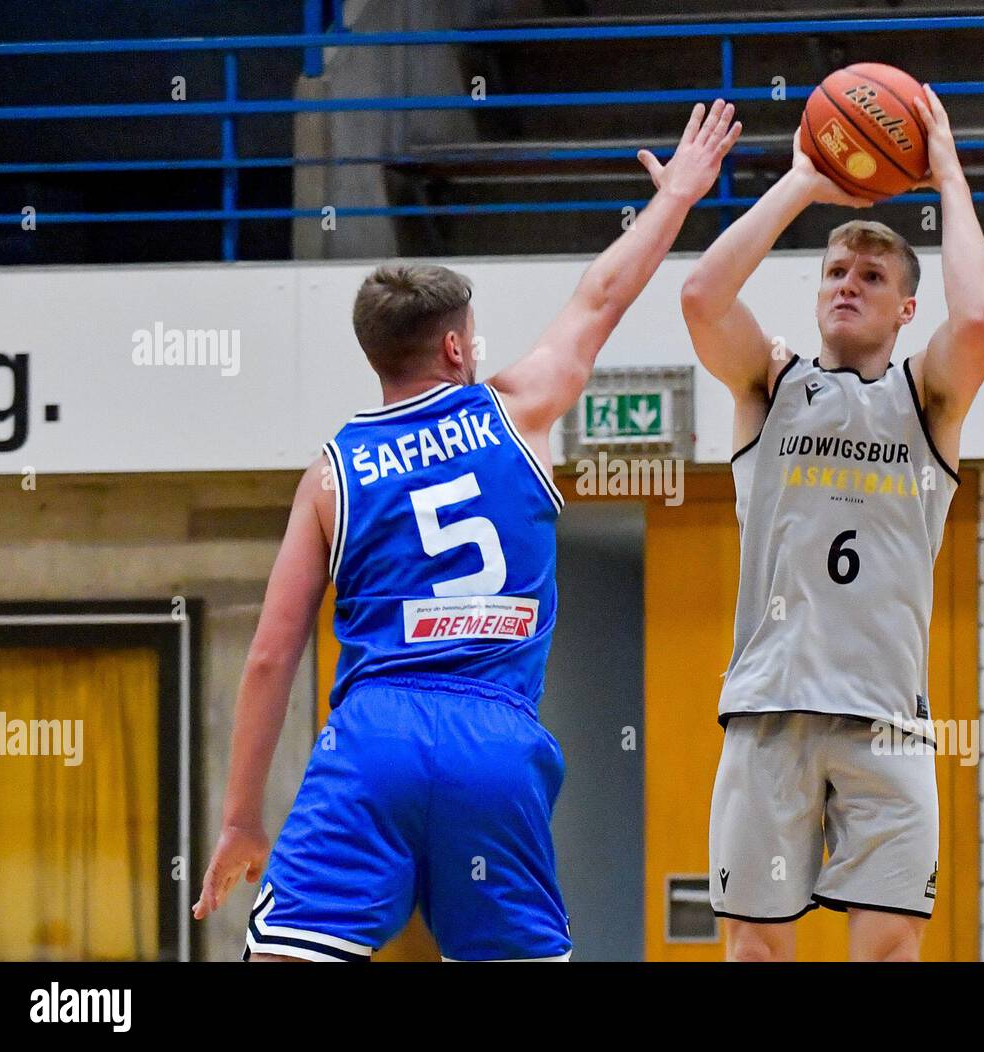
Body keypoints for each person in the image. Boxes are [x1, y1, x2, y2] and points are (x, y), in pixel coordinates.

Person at [192, 100, 741, 961]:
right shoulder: (516, 412)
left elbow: (267, 657)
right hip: (496, 741)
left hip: (372, 738)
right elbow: (601, 295)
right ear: (454, 352)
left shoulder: (329, 475)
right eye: (473, 339)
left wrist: (239, 819)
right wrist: (675, 197)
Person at [680, 85, 984, 962]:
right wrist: (803, 183)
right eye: (835, 272)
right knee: (754, 952)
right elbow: (702, 295)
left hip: (887, 717)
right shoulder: (769, 385)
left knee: (891, 951)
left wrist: (947, 175)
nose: (848, 284)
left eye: (873, 276)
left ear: (904, 310)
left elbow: (974, 319)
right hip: (768, 708)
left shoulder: (925, 399)